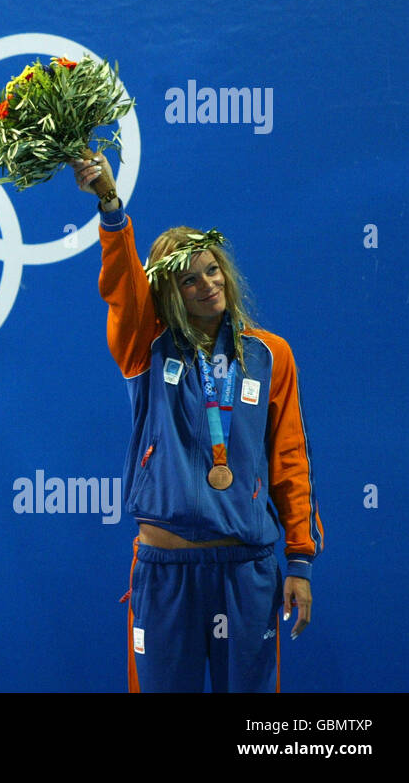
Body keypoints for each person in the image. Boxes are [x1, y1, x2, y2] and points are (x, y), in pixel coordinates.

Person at [73, 154, 323, 692]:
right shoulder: (147, 346)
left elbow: (288, 458)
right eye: (189, 280)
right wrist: (111, 207)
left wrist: (299, 561)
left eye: (213, 270)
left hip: (247, 571)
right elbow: (122, 289)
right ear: (168, 294)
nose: (208, 284)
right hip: (166, 570)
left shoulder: (270, 355)